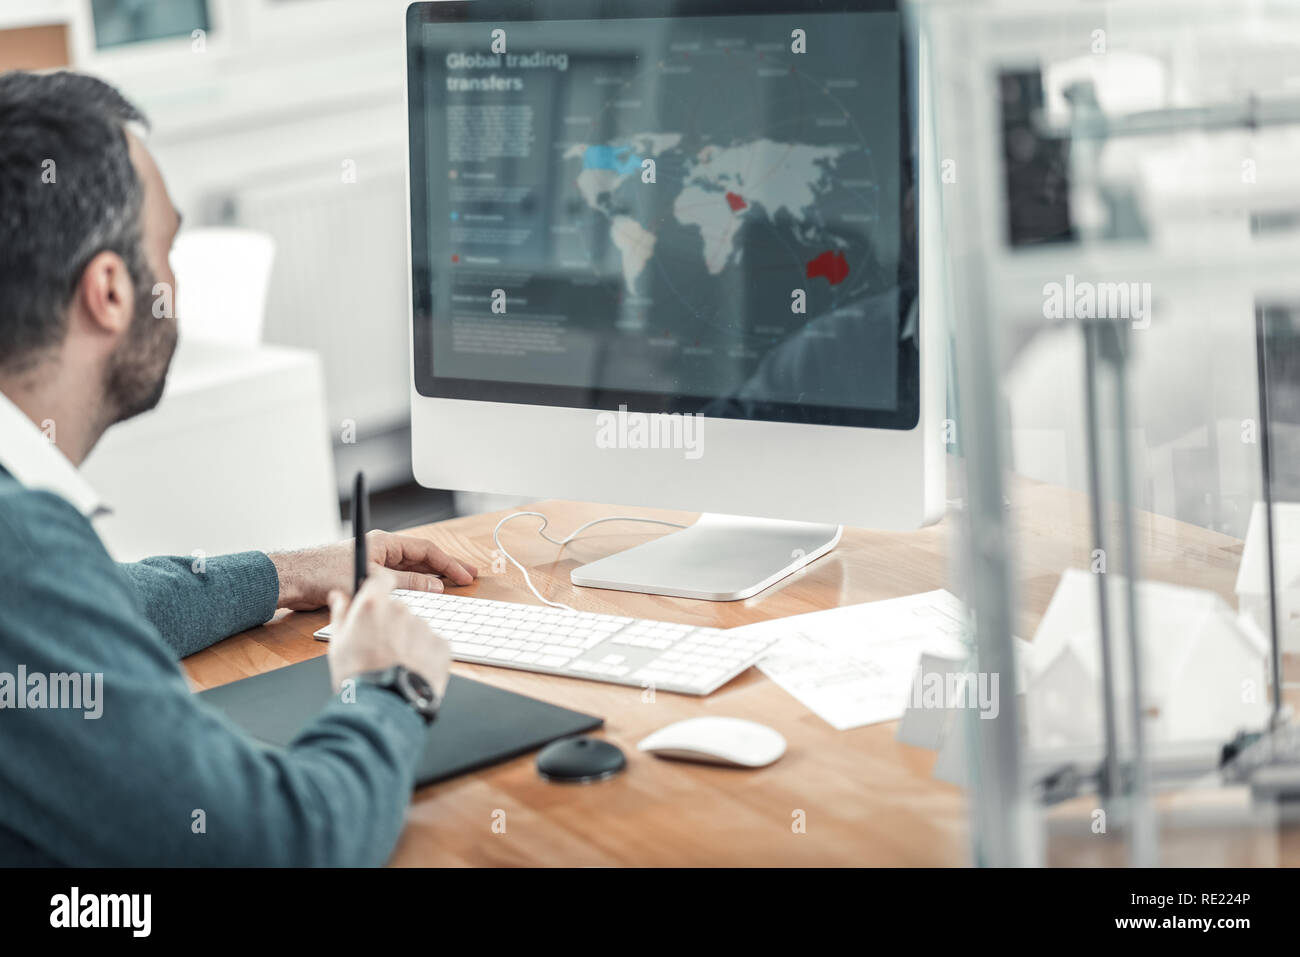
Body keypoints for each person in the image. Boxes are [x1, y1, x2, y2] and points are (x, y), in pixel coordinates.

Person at [0, 70, 476, 865]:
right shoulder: (20, 546)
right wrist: (389, 687)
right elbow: (280, 844)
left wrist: (285, 573)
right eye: (168, 250)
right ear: (111, 291)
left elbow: (86, 607)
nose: (177, 283)